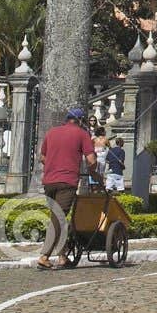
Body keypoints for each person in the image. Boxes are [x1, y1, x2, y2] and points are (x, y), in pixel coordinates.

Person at [37, 108, 96, 270]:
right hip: (67, 181)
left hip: (49, 181)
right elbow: (91, 160)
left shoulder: (51, 132)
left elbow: (42, 157)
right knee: (58, 217)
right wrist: (93, 171)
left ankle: (62, 256)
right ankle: (44, 256)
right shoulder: (82, 134)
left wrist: (54, 164)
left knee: (57, 218)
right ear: (80, 121)